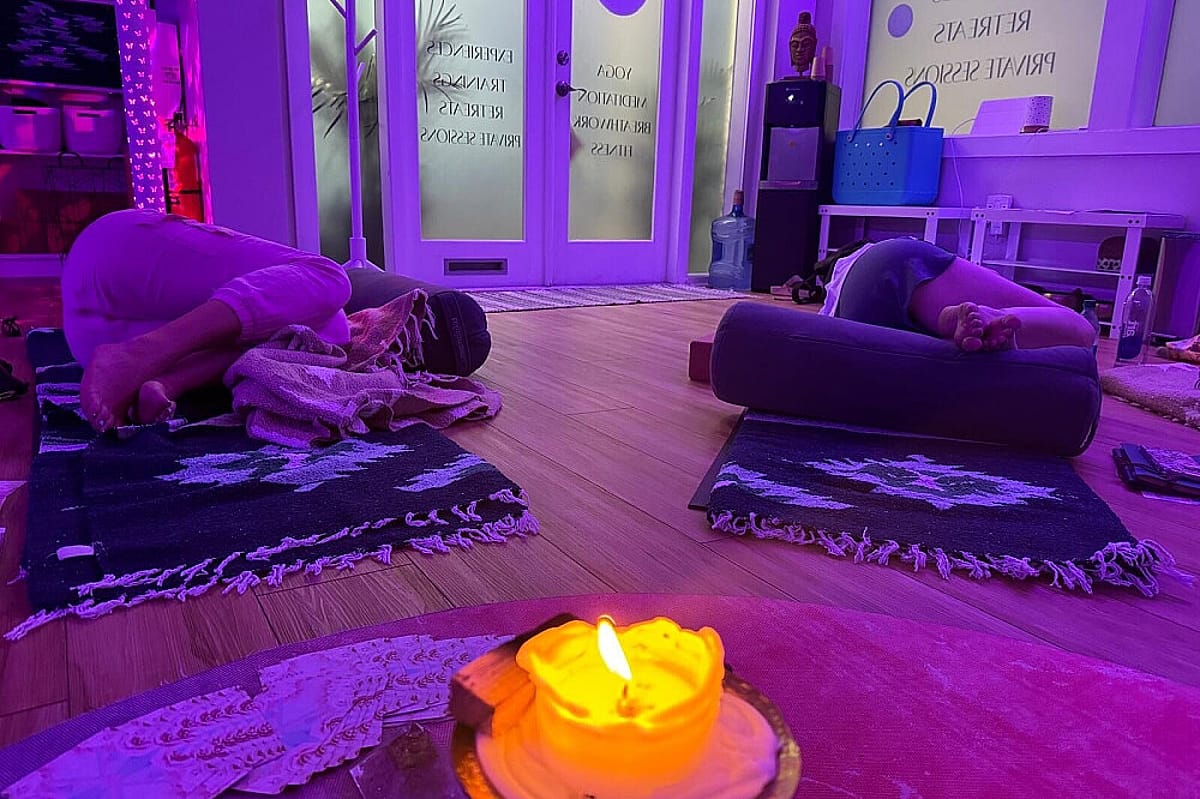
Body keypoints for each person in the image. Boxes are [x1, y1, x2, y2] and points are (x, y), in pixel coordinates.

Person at [62, 210, 352, 432]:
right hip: (108, 257)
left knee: (331, 326)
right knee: (329, 282)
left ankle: (162, 378)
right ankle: (145, 356)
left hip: (90, 340)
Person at [817, 237, 1097, 353]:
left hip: (852, 316)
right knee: (1083, 330)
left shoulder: (834, 291)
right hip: (891, 261)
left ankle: (945, 327)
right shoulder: (880, 250)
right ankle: (991, 315)